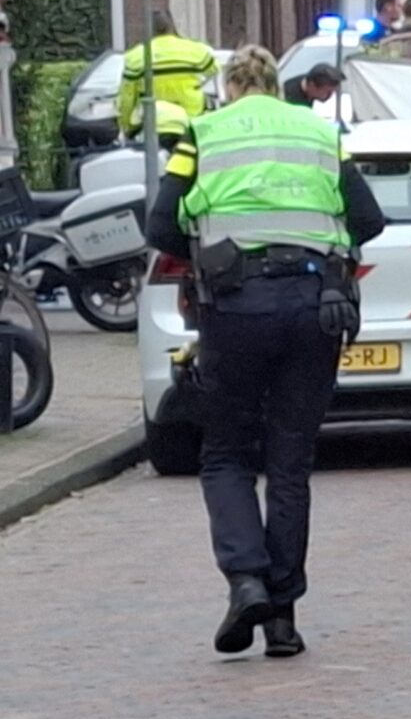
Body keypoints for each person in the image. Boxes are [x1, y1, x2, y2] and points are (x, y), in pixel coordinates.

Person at [144, 45, 385, 659]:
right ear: (279, 88)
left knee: (225, 452)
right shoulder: (321, 131)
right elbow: (369, 217)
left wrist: (208, 249)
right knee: (289, 462)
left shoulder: (203, 133)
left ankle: (246, 579)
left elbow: (160, 226)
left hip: (234, 307)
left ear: (228, 88)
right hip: (314, 306)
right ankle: (283, 619)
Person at [116, 10, 219, 139]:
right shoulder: (198, 51)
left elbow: (127, 97)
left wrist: (126, 126)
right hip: (191, 120)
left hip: (152, 123)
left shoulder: (135, 57)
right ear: (172, 26)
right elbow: (215, 76)